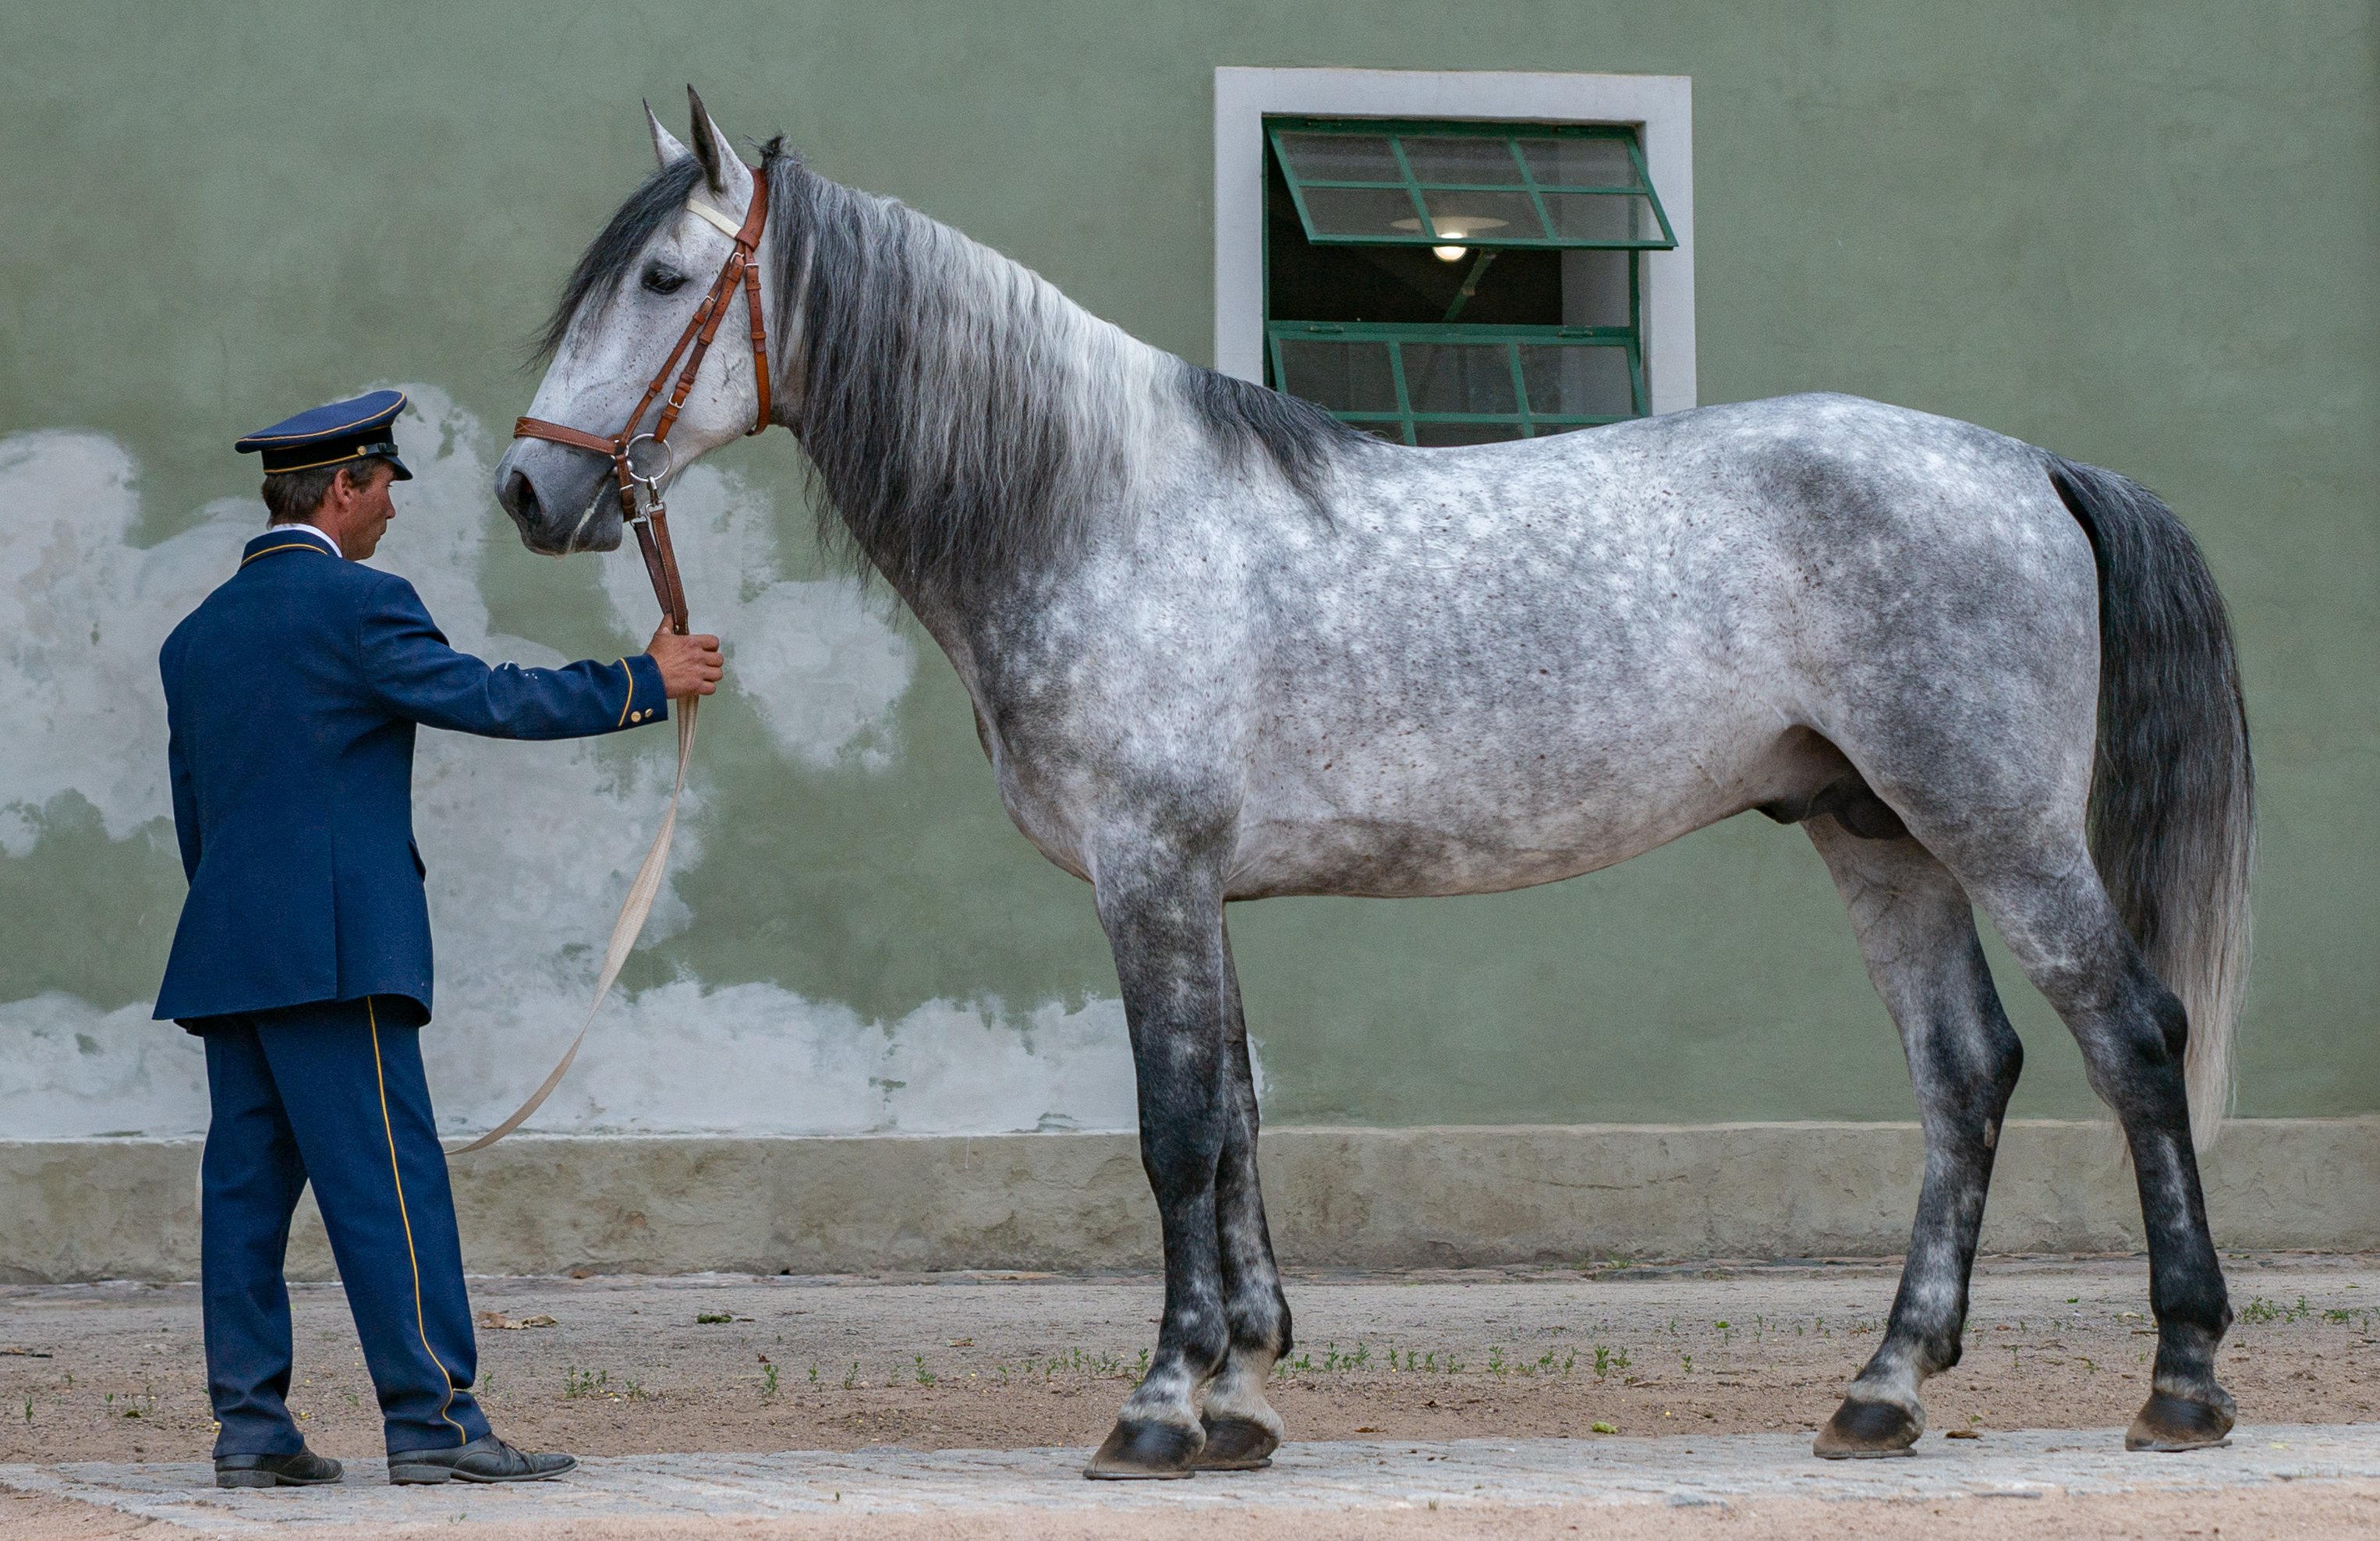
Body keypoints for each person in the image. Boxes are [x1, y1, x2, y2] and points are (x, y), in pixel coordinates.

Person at [155, 390, 723, 1488]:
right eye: (383, 489)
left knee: (243, 1197)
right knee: (389, 1187)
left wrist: (249, 928)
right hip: (335, 953)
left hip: (233, 951)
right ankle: (436, 1422)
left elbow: (196, 813)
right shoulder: (359, 605)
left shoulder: (197, 636)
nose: (390, 514)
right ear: (342, 488)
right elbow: (483, 696)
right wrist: (642, 684)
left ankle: (252, 1432)